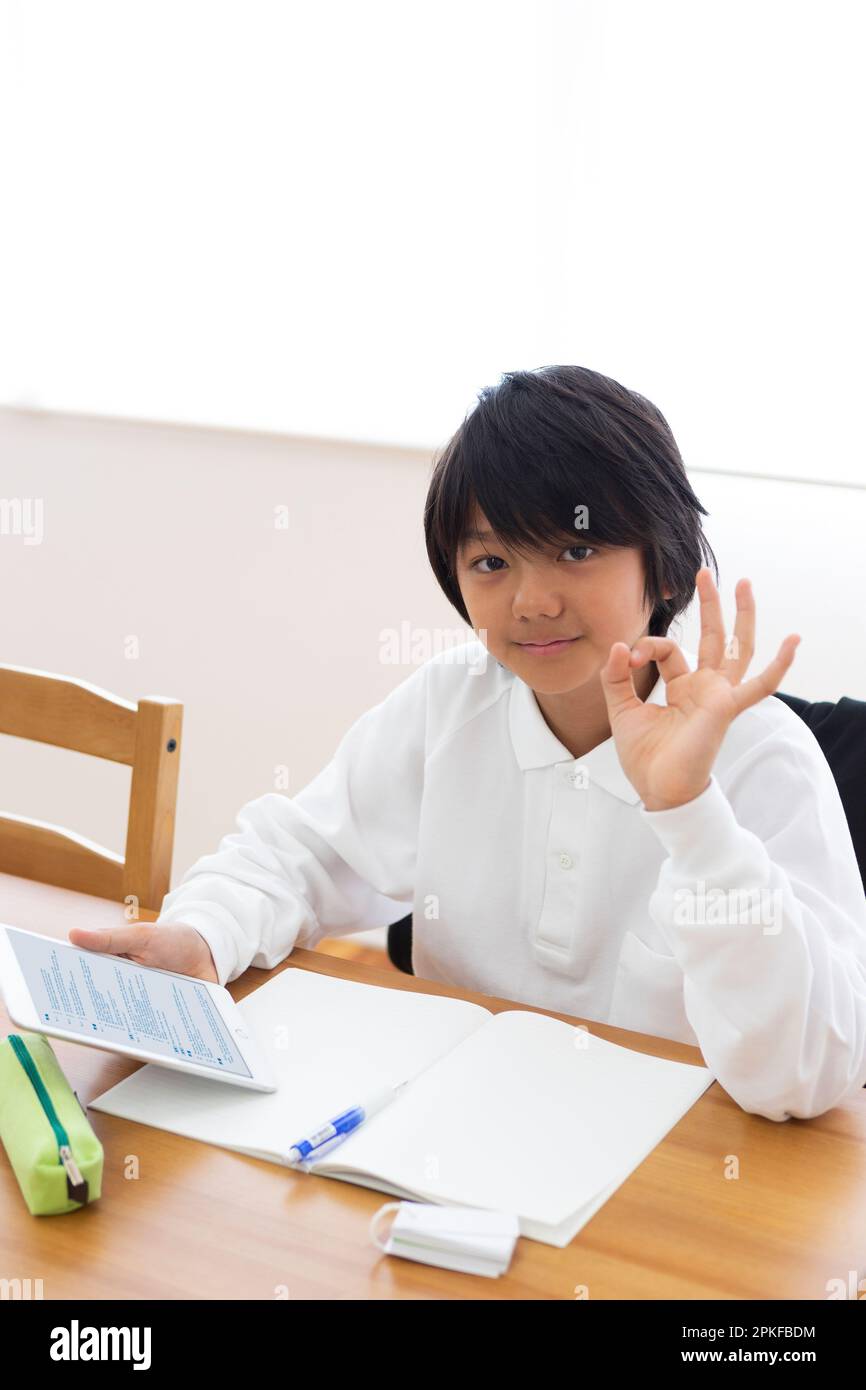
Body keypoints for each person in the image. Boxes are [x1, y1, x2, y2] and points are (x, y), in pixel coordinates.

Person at [68, 364, 866, 1120]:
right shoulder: (450, 705)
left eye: (577, 550)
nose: (531, 600)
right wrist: (204, 932)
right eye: (490, 561)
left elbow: (802, 1079)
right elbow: (300, 853)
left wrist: (690, 814)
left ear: (663, 569)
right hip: (446, 1145)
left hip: (677, 1191)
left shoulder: (765, 759)